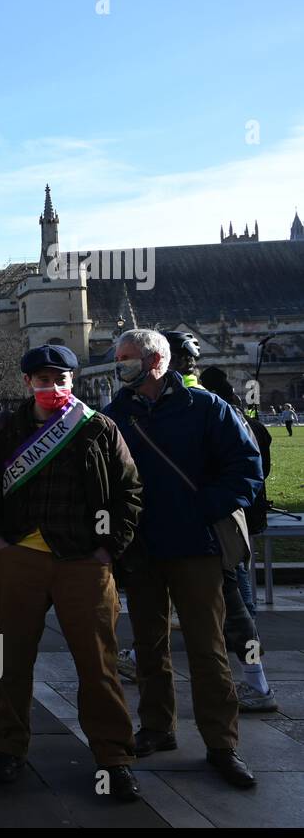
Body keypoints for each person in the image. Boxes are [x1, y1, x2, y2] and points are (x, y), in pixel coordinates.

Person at [0, 345, 144, 801]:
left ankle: (114, 757)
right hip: (20, 558)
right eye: (42, 378)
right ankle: (9, 749)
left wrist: (108, 548)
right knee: (11, 663)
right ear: (27, 382)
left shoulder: (98, 428)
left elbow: (129, 490)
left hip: (82, 562)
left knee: (98, 665)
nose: (51, 386)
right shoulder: (5, 429)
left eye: (60, 378)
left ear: (72, 381)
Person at [104, 329, 261, 789]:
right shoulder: (117, 415)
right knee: (149, 644)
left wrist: (205, 508)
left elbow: (246, 466)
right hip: (144, 548)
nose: (119, 366)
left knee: (206, 647)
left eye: (127, 358)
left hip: (195, 547)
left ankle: (222, 743)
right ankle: (157, 727)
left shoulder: (205, 408)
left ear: (156, 362)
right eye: (118, 359)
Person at [184, 367, 277, 713]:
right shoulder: (236, 415)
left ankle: (257, 683)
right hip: (228, 525)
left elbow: (249, 469)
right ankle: (256, 679)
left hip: (217, 528)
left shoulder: (213, 415)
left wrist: (214, 504)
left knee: (237, 608)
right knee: (239, 606)